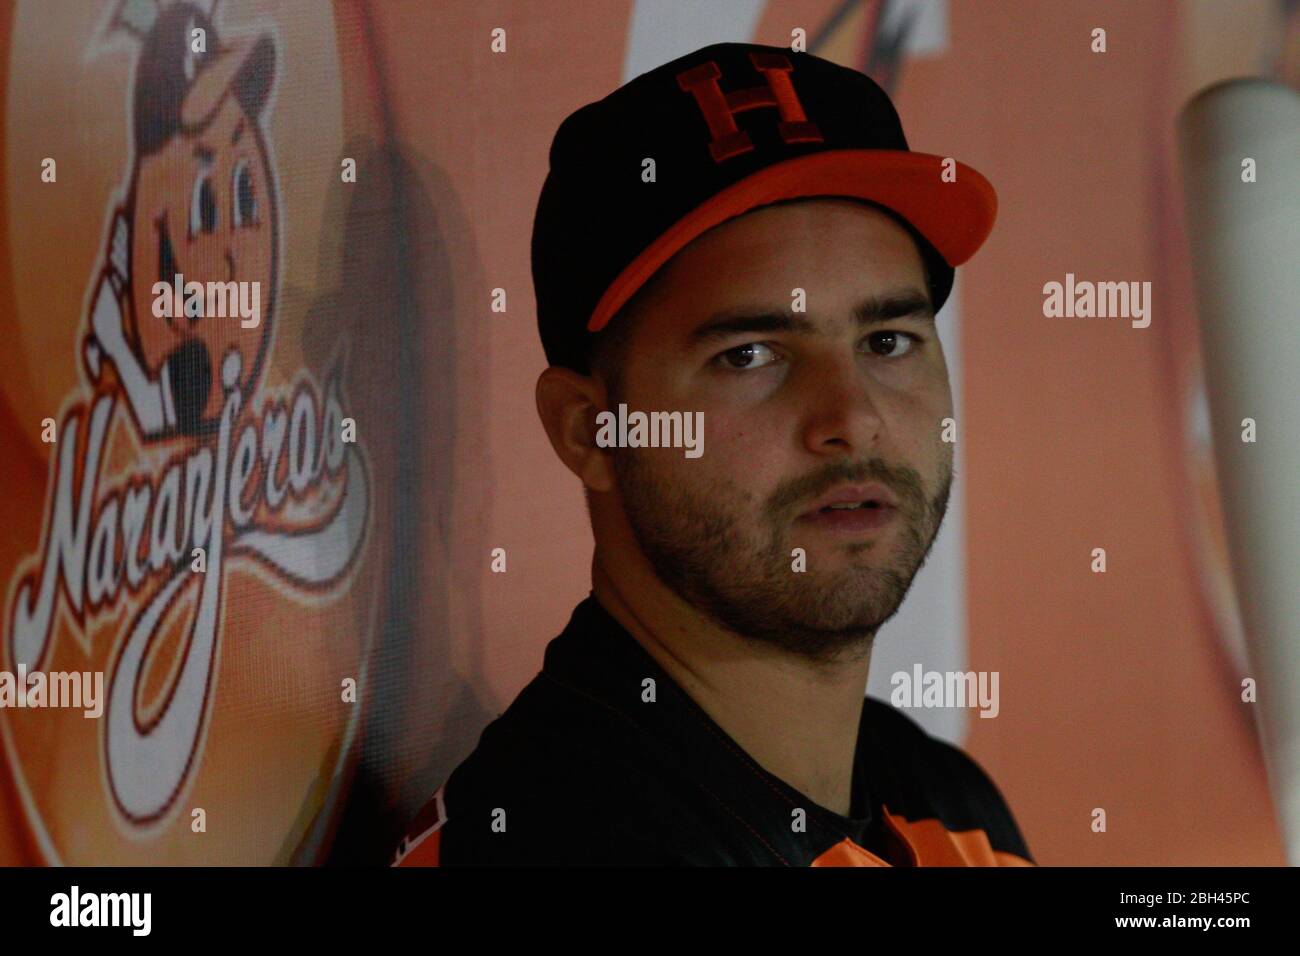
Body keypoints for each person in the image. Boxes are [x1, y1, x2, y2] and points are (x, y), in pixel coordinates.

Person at [396, 41, 1033, 866]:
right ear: (591, 429)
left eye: (886, 339)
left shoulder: (948, 806)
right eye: (750, 355)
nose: (852, 418)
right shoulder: (539, 843)